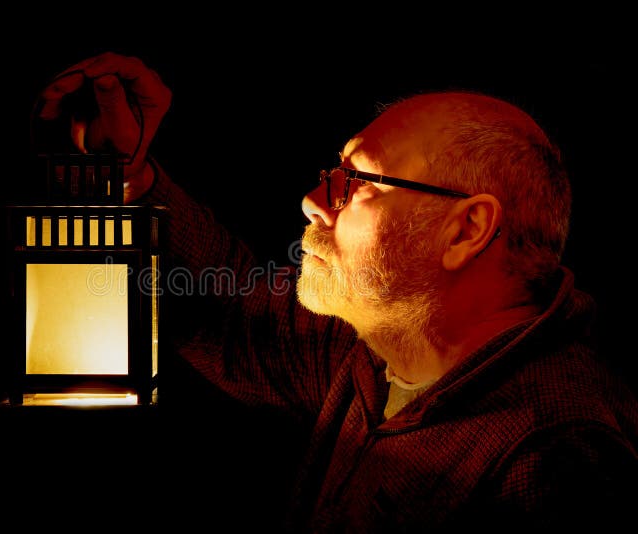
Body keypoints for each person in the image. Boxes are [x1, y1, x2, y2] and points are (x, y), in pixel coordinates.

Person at [36, 51, 638, 532]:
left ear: (466, 229)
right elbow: (231, 314)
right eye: (335, 174)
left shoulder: (555, 459)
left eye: (358, 180)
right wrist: (126, 174)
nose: (314, 202)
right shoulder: (378, 355)